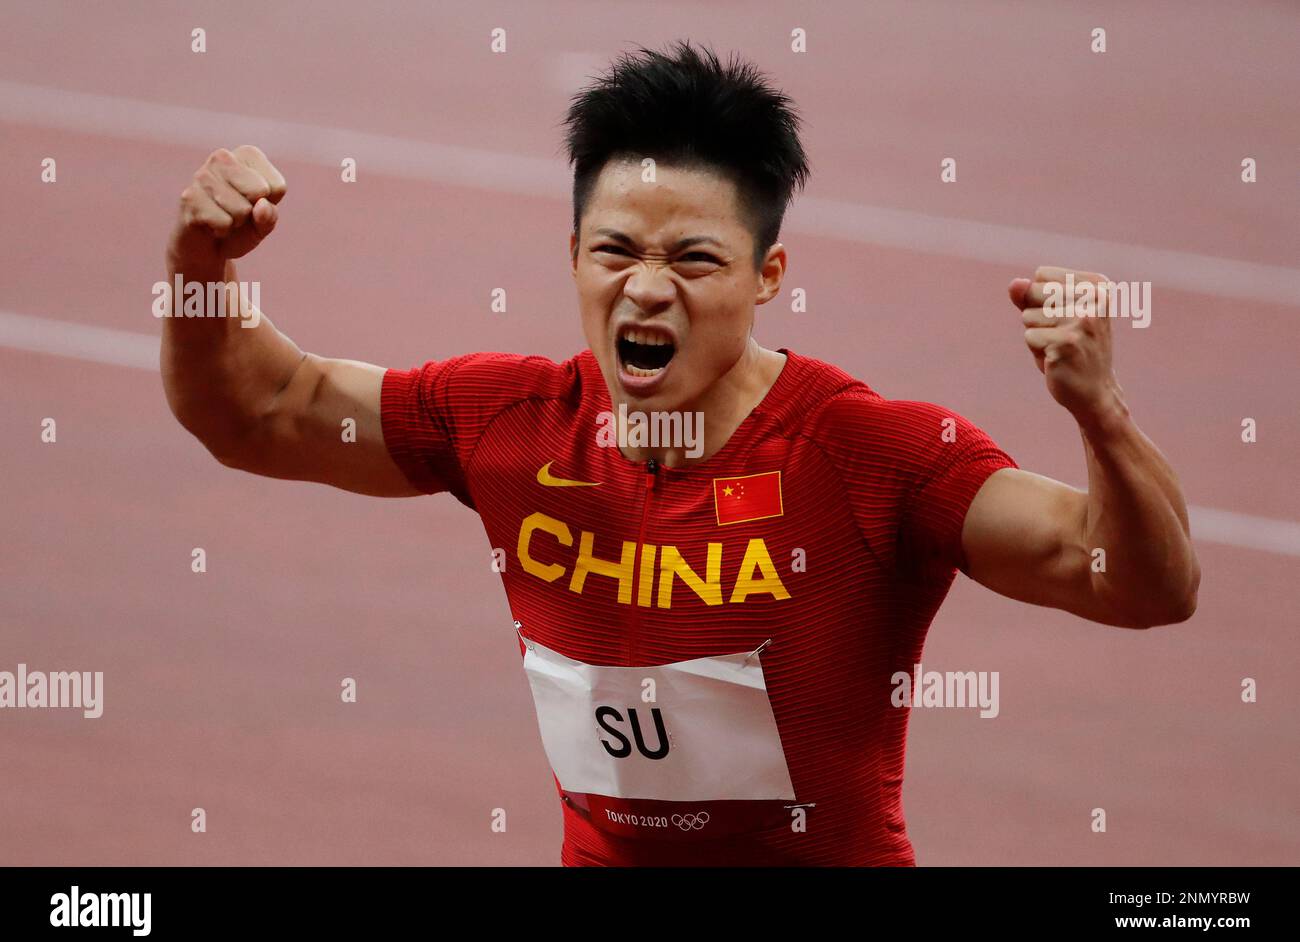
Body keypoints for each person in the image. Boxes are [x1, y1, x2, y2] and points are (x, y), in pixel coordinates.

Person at [159, 41, 1199, 866]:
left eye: (694, 257)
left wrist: (1100, 413)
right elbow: (258, 411)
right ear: (573, 254)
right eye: (615, 249)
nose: (647, 287)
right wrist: (198, 261)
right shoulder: (507, 420)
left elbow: (1138, 583)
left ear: (767, 274)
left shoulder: (871, 455)